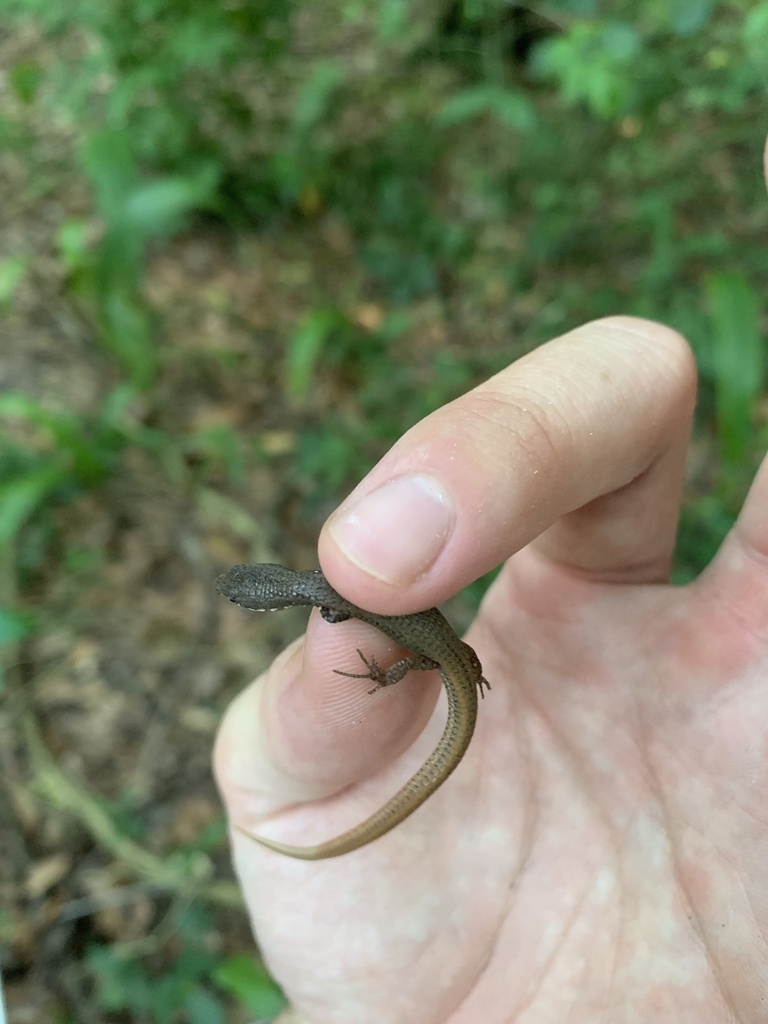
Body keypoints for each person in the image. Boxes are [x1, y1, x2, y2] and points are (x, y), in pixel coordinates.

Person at [213, 138, 768, 1023]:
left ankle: (444, 673)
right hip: (450, 659)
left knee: (397, 631)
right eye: (255, 592)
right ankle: (446, 674)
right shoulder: (324, 590)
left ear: (279, 593)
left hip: (450, 661)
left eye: (255, 593)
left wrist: (420, 667)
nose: (255, 595)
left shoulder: (329, 595)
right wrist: (427, 667)